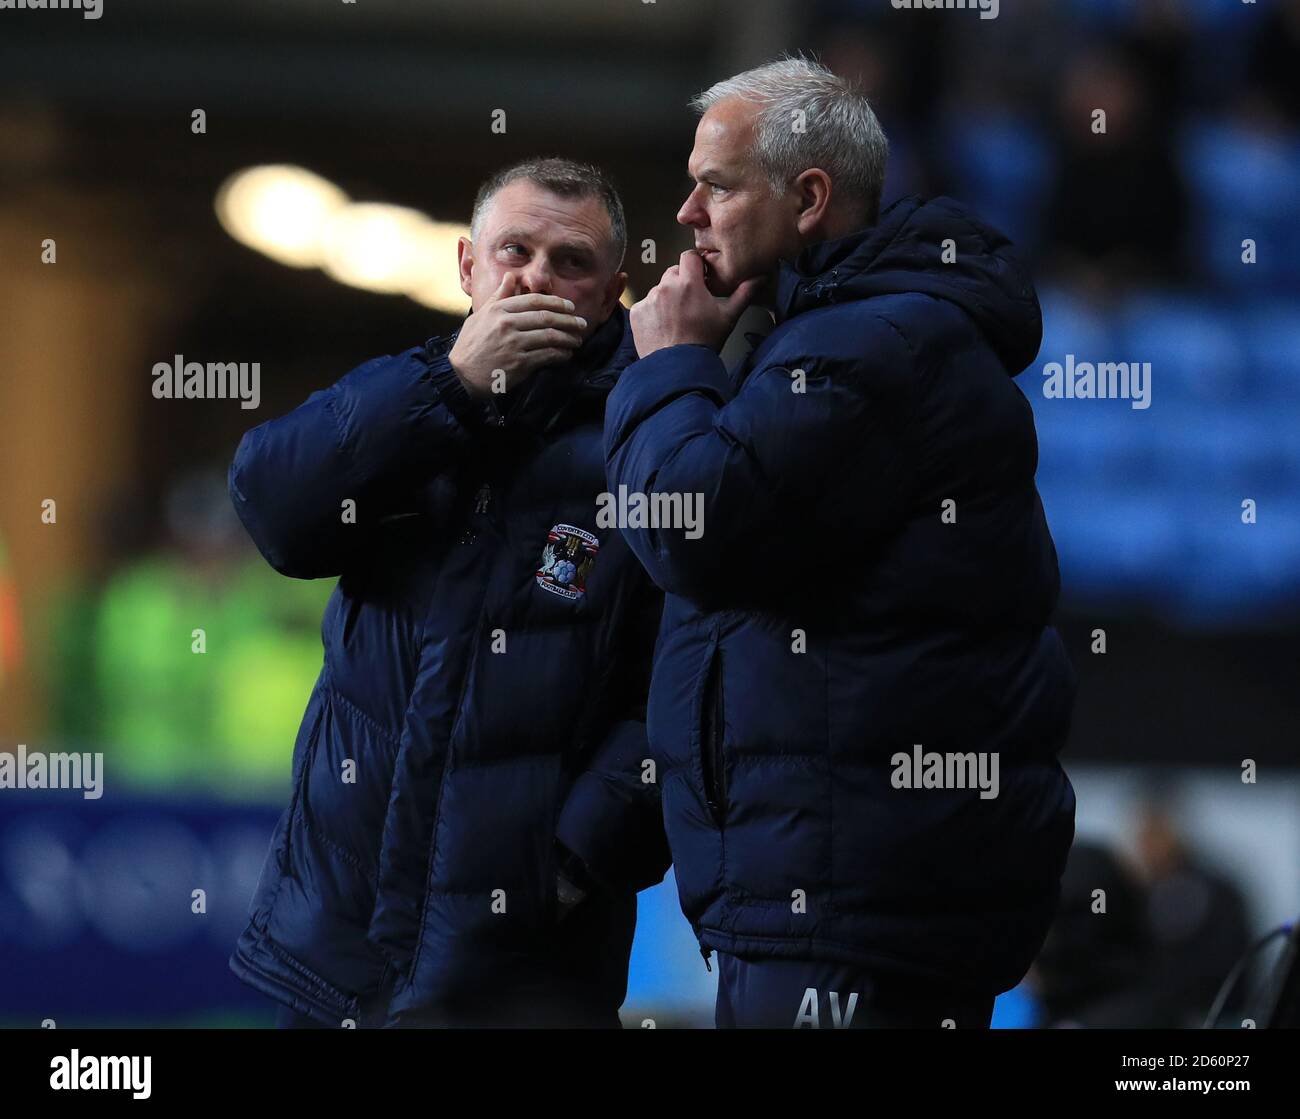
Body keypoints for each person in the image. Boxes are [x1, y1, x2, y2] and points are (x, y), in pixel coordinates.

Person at [605, 57, 1077, 1029]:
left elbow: (687, 528)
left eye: (718, 185)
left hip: (847, 903)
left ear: (810, 198)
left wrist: (675, 365)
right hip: (848, 890)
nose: (689, 212)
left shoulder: (869, 347)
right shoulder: (853, 333)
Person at [229, 157, 669, 1028]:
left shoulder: (653, 439)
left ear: (614, 290)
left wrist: (576, 860)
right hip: (338, 955)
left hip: (526, 970)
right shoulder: (406, 402)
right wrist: (456, 387)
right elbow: (274, 509)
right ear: (469, 267)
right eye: (515, 250)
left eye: (571, 262)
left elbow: (687, 680)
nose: (536, 276)